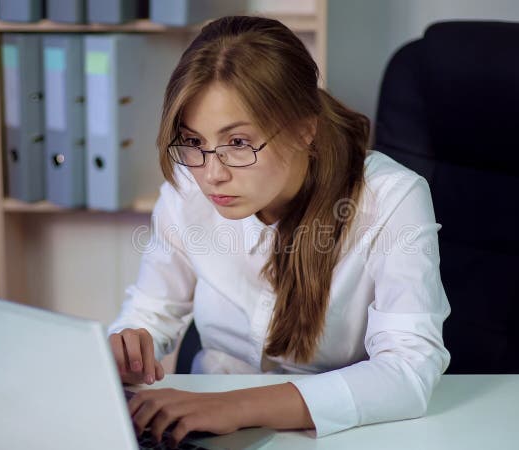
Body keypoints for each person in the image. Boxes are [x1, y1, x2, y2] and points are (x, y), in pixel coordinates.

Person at [107, 15, 451, 447]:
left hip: (333, 435)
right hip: (204, 429)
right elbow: (151, 312)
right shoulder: (186, 187)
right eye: (193, 141)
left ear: (305, 130)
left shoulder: (390, 198)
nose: (211, 174)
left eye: (238, 143)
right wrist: (130, 349)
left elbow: (409, 369)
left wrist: (237, 407)